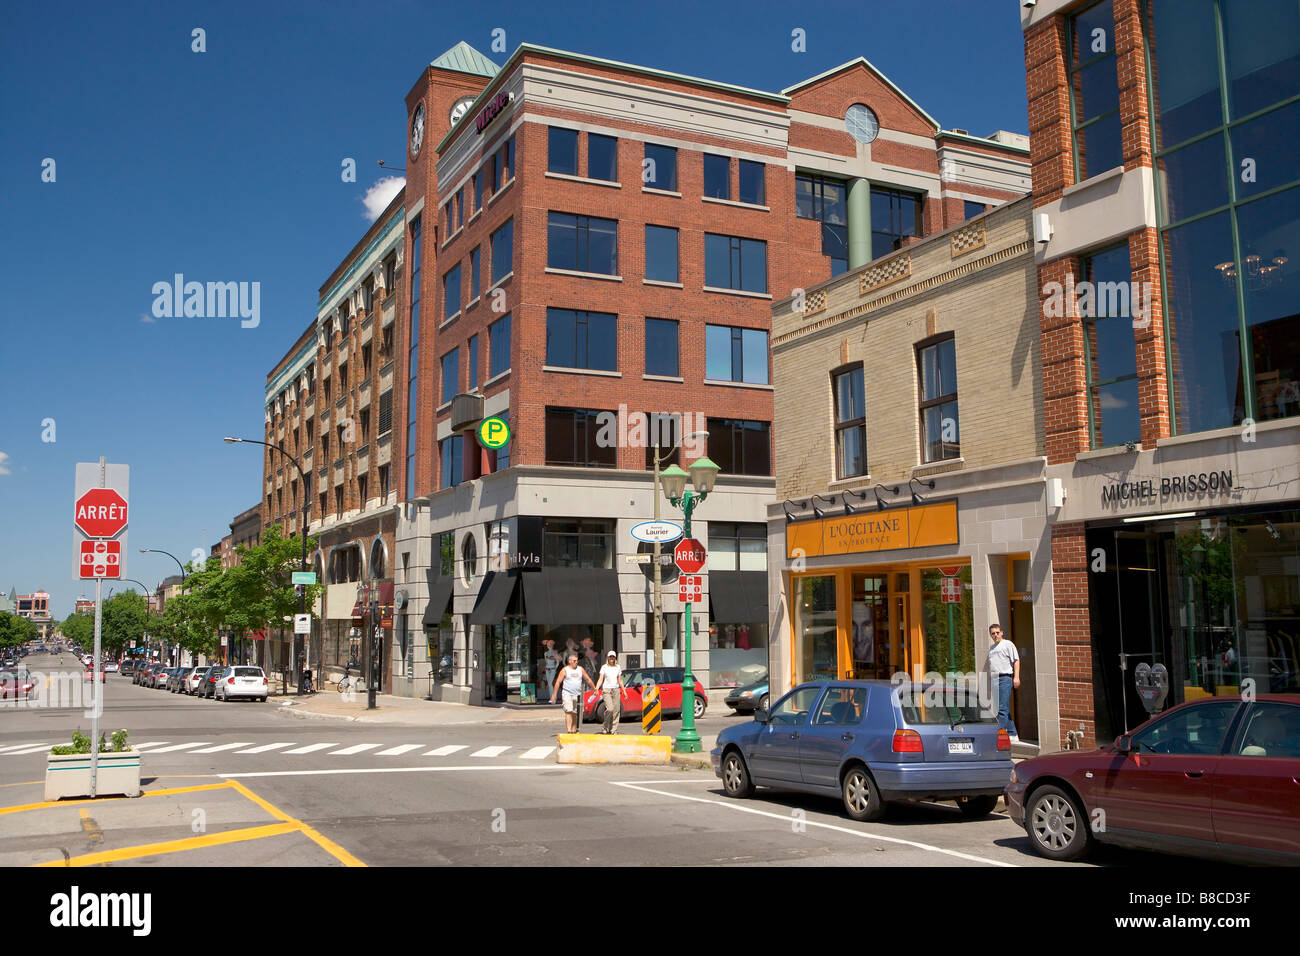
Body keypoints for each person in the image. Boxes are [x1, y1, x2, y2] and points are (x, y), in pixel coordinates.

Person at [986, 623, 1020, 742]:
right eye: (993, 633)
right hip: (995, 679)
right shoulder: (992, 648)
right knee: (1002, 708)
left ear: (1002, 632)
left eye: (997, 632)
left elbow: (1016, 661)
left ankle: (1000, 735)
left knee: (1002, 708)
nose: (995, 635)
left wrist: (1016, 677)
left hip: (1005, 678)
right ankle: (1012, 734)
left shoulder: (1007, 644)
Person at [552, 653, 596, 734]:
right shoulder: (565, 670)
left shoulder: (580, 669)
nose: (576, 662)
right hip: (567, 693)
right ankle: (569, 730)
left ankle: (573, 729)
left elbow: (588, 679)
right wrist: (554, 695)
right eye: (574, 661)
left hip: (577, 694)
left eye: (577, 661)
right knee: (568, 711)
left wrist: (594, 689)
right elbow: (558, 682)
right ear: (570, 661)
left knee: (575, 712)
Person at [594, 651, 626, 734]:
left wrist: (624, 691)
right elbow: (601, 679)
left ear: (615, 658)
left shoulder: (618, 667)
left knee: (616, 710)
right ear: (607, 658)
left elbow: (620, 680)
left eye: (613, 657)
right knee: (610, 709)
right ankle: (605, 726)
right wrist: (596, 688)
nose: (612, 658)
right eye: (610, 657)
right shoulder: (604, 667)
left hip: (616, 690)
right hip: (607, 690)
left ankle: (613, 729)